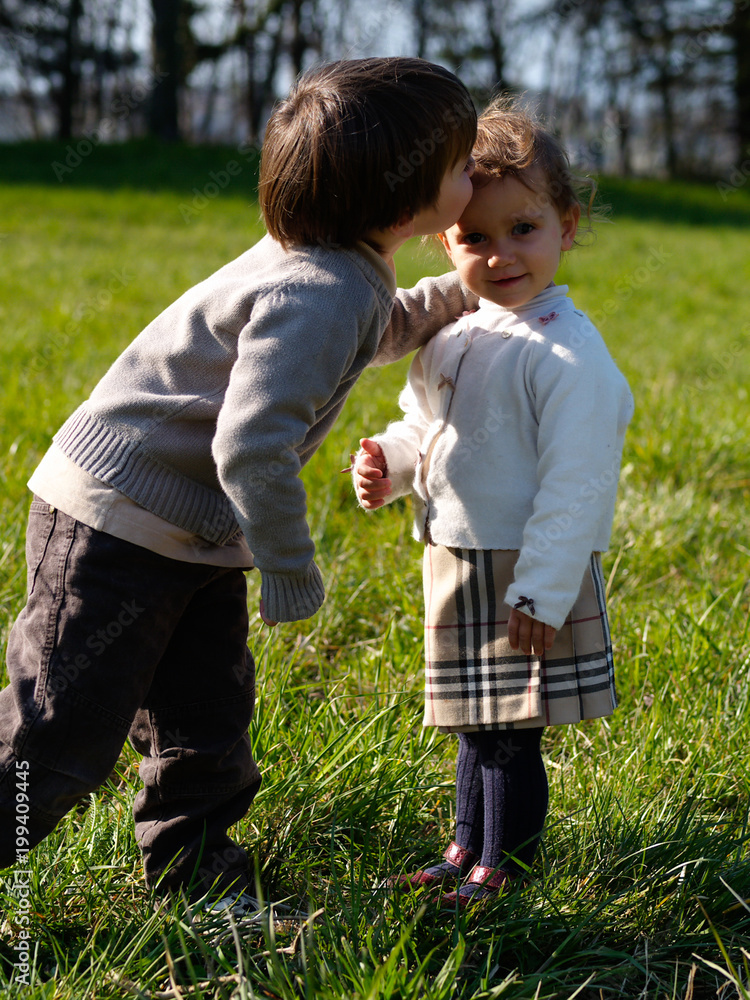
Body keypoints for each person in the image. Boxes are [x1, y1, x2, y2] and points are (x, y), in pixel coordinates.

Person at [0, 57, 479, 913]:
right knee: (57, 734)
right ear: (408, 203)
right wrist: (289, 563)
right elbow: (252, 446)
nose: (475, 177)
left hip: (184, 531)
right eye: (463, 165)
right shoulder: (322, 290)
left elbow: (371, 329)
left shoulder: (338, 265)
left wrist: (457, 294)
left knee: (204, 713)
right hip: (118, 529)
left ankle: (197, 879)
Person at [352, 97, 634, 909]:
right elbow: (428, 425)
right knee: (475, 721)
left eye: (524, 229)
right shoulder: (456, 332)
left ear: (567, 225)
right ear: (446, 241)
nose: (500, 255)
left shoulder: (567, 353)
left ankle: (506, 866)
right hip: (460, 553)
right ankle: (465, 846)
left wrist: (544, 589)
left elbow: (578, 484)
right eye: (475, 237)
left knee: (511, 731)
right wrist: (392, 461)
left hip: (525, 567)